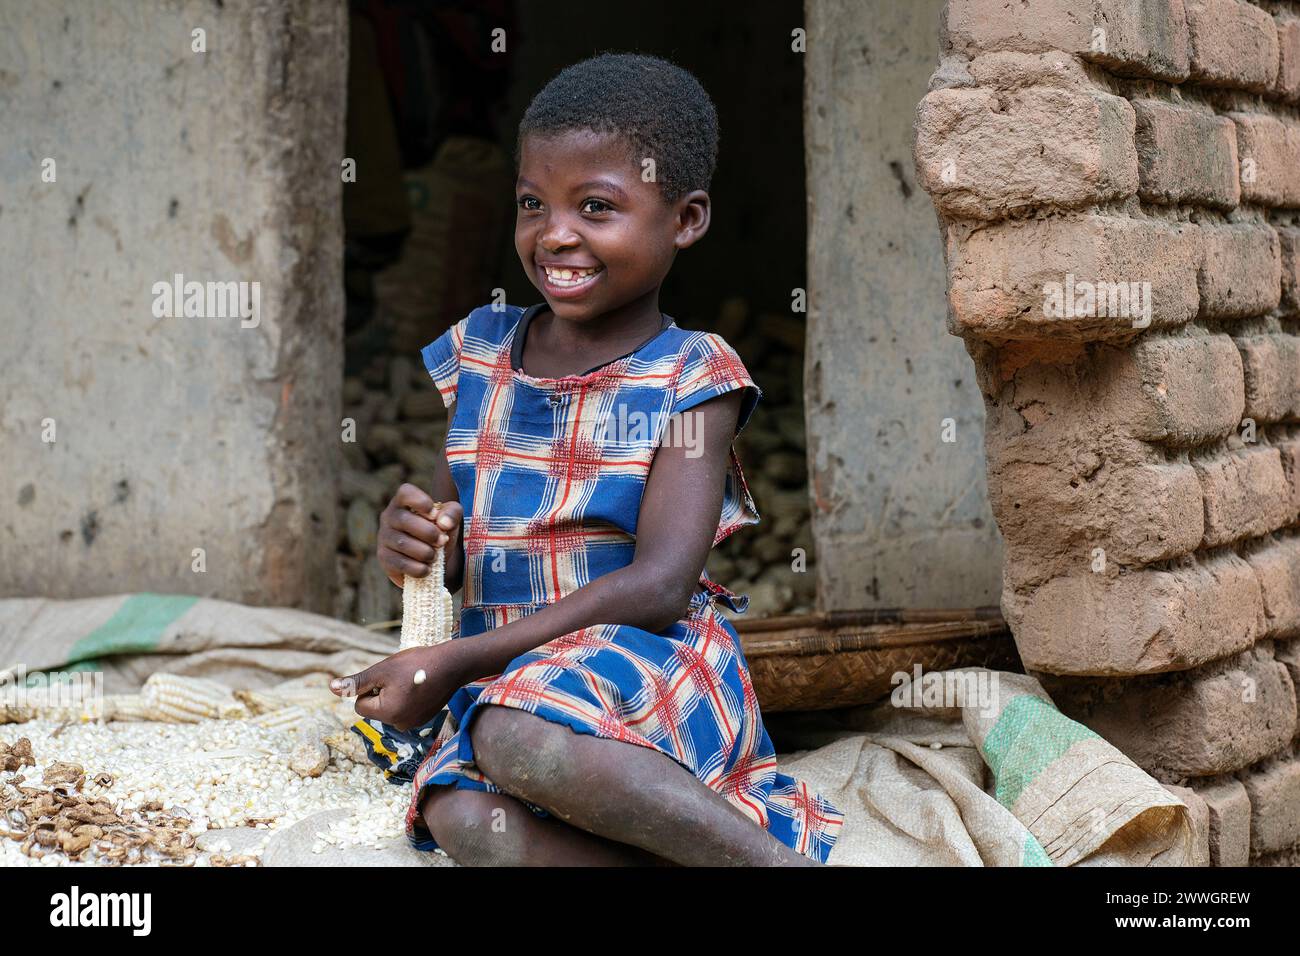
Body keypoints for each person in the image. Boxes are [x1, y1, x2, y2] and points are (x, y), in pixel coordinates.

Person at [330, 52, 843, 866]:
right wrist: (415, 545)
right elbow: (456, 535)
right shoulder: (480, 354)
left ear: (686, 219)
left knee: (508, 734)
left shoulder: (690, 377)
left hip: (640, 666)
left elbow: (659, 585)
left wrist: (454, 660)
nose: (554, 233)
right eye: (533, 203)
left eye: (595, 207)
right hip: (512, 677)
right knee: (460, 816)